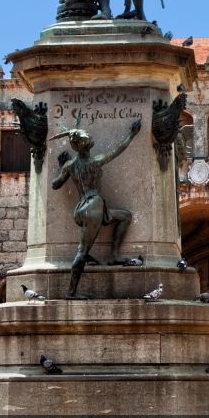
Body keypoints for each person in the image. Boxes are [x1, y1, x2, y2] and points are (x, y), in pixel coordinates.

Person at [51, 119, 142, 297]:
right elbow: (117, 150)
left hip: (85, 207)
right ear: (85, 146)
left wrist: (63, 168)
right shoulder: (95, 162)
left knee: (125, 217)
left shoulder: (71, 165)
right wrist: (131, 134)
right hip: (94, 206)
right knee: (83, 251)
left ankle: (114, 255)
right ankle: (71, 292)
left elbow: (55, 185)